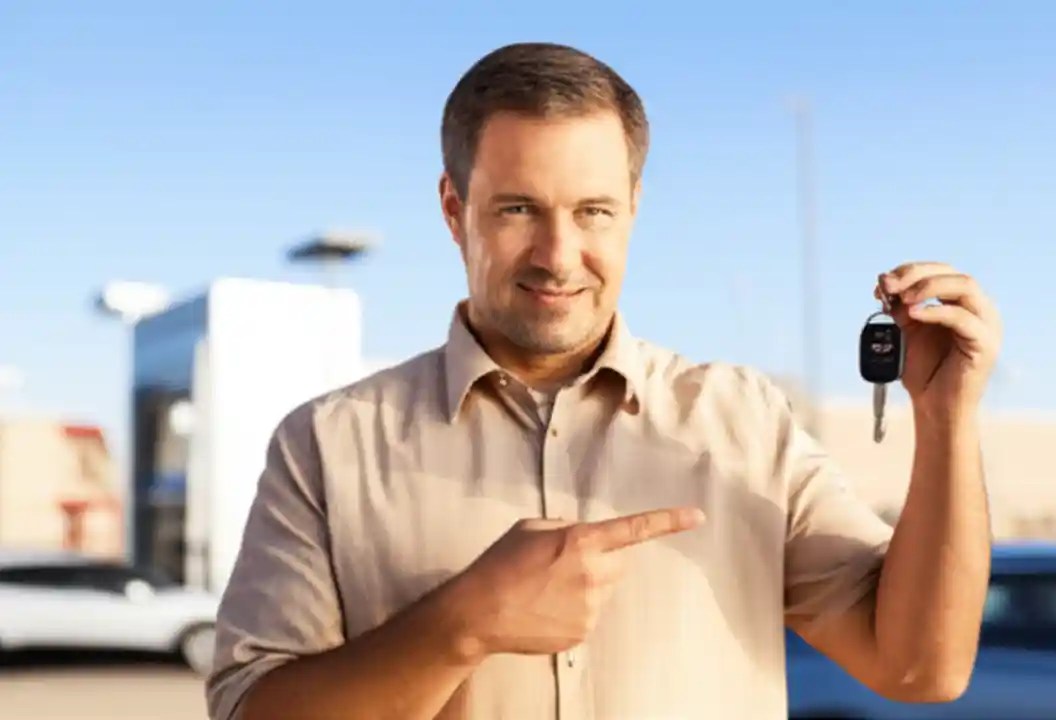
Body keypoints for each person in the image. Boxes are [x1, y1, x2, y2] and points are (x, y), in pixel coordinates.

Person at [205, 41, 1002, 720]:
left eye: (593, 211)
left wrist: (946, 420)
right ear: (454, 210)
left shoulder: (744, 422)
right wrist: (463, 625)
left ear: (634, 208)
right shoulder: (327, 445)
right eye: (518, 209)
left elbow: (920, 669)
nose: (559, 254)